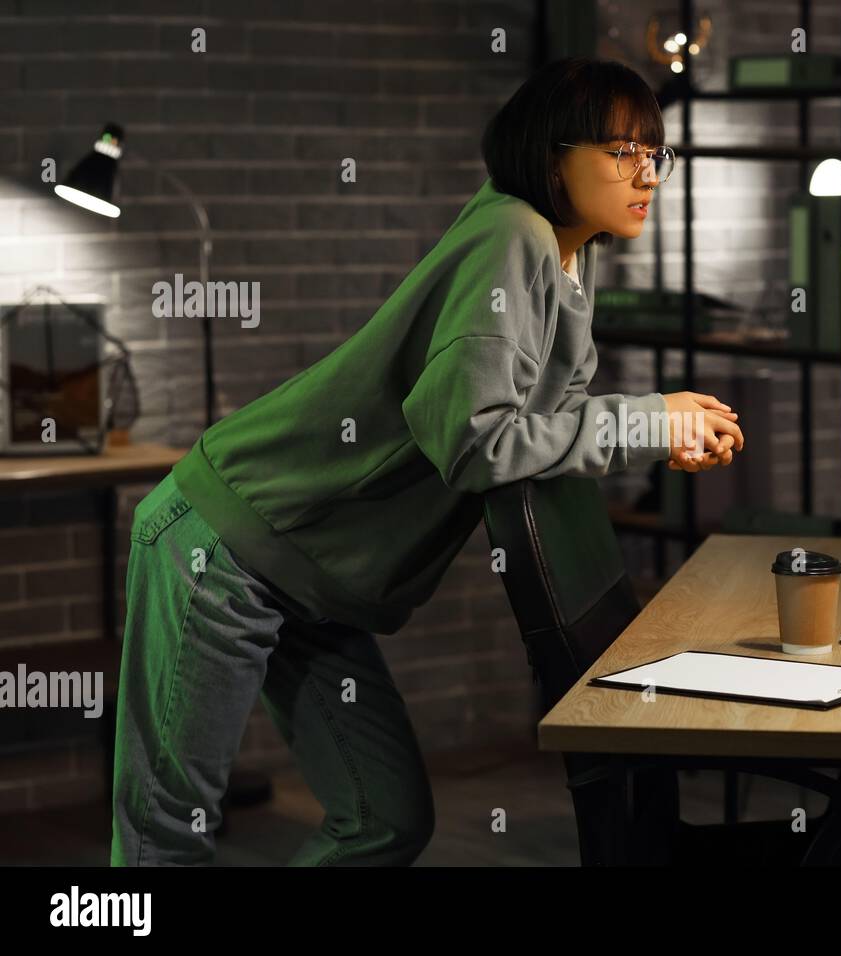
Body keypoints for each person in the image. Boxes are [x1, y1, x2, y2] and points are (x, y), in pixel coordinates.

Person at [110, 56, 744, 866]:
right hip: (227, 546)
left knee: (385, 821)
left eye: (655, 153)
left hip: (315, 583)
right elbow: (477, 441)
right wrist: (648, 422)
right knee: (166, 836)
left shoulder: (563, 254)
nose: (647, 173)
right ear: (554, 156)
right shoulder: (512, 236)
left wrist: (662, 425)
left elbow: (533, 426)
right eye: (622, 150)